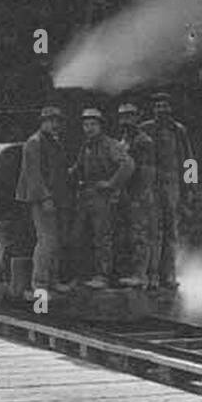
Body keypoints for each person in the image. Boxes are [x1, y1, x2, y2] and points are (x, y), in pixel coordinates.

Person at [69, 108, 134, 288]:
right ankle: (81, 275)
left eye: (93, 124)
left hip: (102, 197)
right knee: (79, 235)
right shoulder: (86, 146)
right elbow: (78, 167)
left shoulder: (110, 145)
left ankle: (103, 276)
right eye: (86, 125)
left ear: (100, 126)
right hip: (86, 195)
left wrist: (111, 184)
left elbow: (128, 165)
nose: (89, 128)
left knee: (102, 236)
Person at [15, 106, 73, 296]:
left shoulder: (54, 143)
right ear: (43, 122)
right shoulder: (34, 142)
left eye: (57, 121)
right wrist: (45, 198)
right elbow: (34, 175)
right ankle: (39, 284)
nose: (55, 125)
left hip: (59, 199)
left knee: (56, 241)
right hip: (44, 200)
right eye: (51, 121)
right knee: (47, 241)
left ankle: (53, 280)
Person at [139, 91, 193, 290]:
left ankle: (169, 275)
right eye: (158, 106)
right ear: (153, 109)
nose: (161, 109)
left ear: (170, 108)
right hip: (151, 185)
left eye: (164, 106)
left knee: (171, 231)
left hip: (172, 185)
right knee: (153, 230)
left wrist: (190, 188)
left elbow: (189, 160)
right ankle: (151, 275)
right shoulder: (144, 129)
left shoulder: (179, 130)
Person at [116, 103, 159, 289]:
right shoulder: (125, 139)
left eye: (130, 117)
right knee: (130, 234)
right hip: (128, 192)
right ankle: (135, 273)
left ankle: (143, 275)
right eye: (123, 117)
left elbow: (188, 158)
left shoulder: (144, 141)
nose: (126, 121)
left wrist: (190, 182)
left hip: (142, 193)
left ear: (137, 118)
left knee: (141, 235)